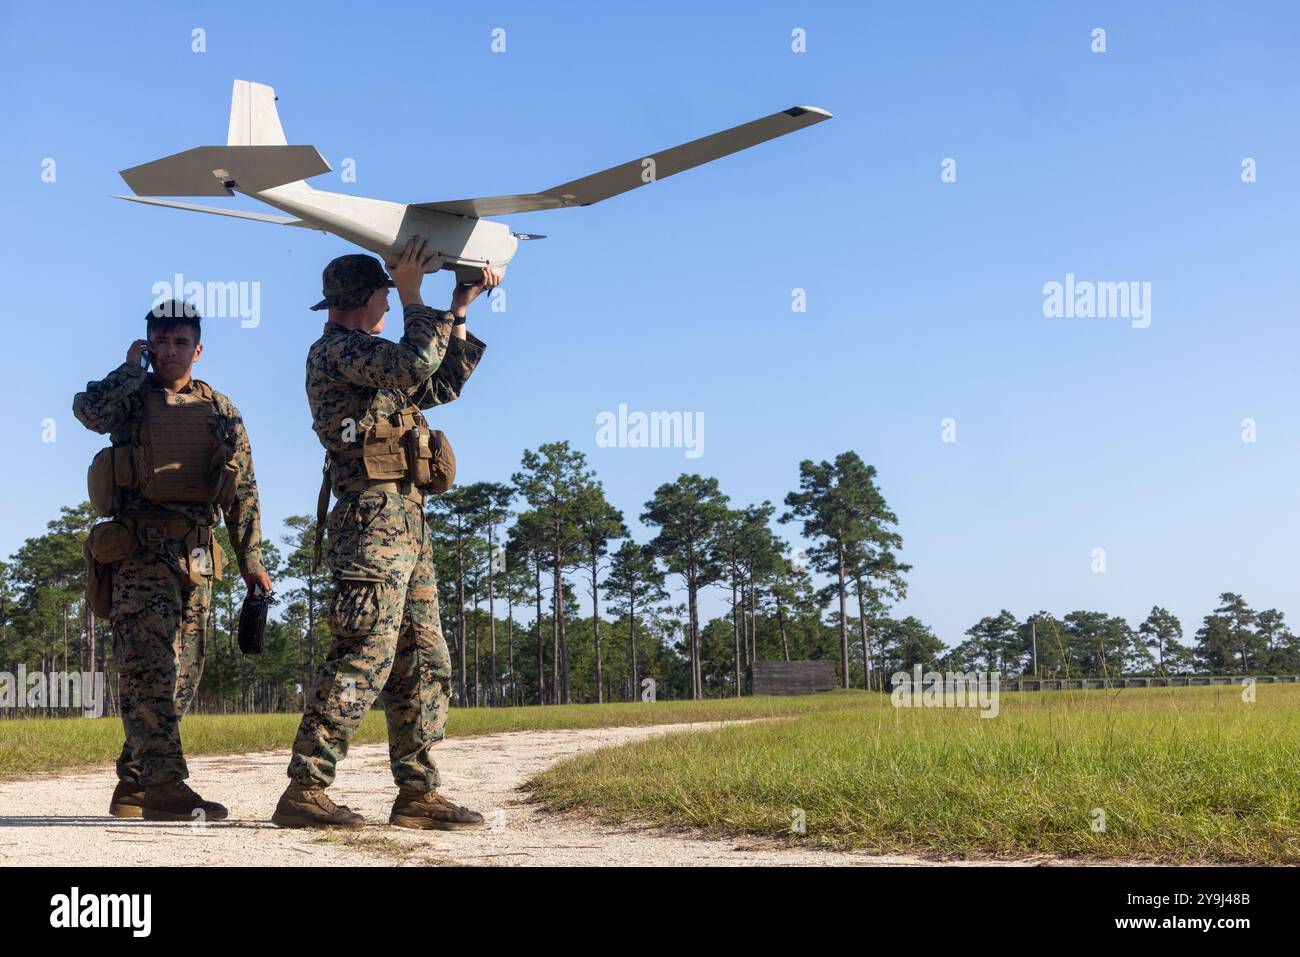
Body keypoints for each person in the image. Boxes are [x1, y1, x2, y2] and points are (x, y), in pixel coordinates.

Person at [272, 239, 496, 829]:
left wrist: (459, 307)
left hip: (405, 519)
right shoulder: (337, 352)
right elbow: (414, 363)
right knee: (363, 653)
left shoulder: (374, 360)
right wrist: (417, 292)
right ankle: (305, 788)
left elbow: (441, 382)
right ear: (368, 298)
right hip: (371, 520)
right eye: (387, 294)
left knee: (424, 658)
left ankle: (418, 792)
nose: (392, 304)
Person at [73, 299, 271, 820]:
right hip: (140, 552)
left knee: (185, 672)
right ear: (147, 345)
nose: (169, 351)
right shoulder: (130, 399)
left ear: (197, 350)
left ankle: (135, 781)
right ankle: (164, 787)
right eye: (159, 342)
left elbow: (243, 489)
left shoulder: (220, 409)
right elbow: (89, 412)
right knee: (149, 667)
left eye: (180, 342)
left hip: (197, 556)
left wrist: (251, 560)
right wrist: (127, 369)